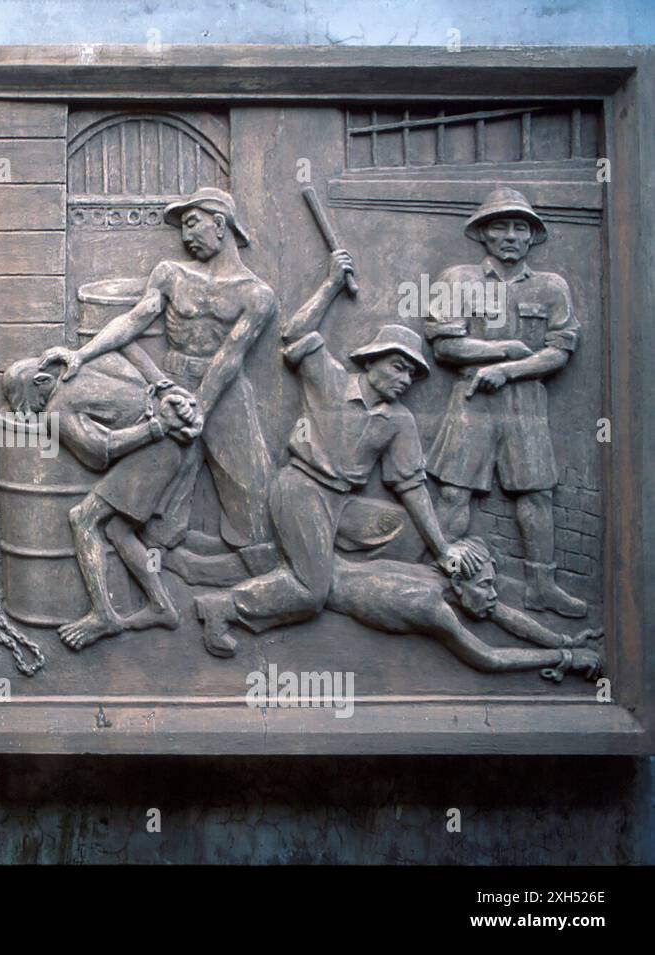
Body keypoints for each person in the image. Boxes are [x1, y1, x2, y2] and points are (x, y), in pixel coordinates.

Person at [195, 250, 478, 657]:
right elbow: (294, 333)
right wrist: (330, 284)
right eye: (399, 367)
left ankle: (352, 579)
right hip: (301, 491)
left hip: (342, 504)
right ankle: (222, 607)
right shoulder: (331, 380)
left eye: (412, 373)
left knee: (407, 528)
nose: (406, 379)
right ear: (373, 361)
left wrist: (442, 549)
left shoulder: (399, 421)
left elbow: (412, 488)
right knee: (312, 593)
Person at [41, 186, 275, 577]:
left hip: (226, 392)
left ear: (220, 224)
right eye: (182, 227)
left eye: (192, 224)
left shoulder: (257, 294)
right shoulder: (171, 274)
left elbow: (231, 356)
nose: (185, 236)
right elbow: (133, 321)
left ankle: (257, 577)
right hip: (173, 382)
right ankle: (172, 572)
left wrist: (200, 406)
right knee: (167, 485)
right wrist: (81, 354)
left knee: (249, 492)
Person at [425, 187, 587, 618]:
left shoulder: (553, 287)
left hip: (527, 404)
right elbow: (445, 348)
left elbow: (560, 350)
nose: (511, 235)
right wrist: (504, 350)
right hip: (472, 399)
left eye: (521, 227)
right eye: (500, 226)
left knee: (536, 495)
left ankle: (541, 586)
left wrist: (510, 369)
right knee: (455, 492)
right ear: (482, 234)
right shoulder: (458, 279)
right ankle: (439, 577)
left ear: (533, 236)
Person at [3, 353, 200, 650]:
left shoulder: (57, 407)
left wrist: (156, 426)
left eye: (27, 403)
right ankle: (161, 607)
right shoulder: (86, 363)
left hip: (158, 448)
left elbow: (99, 452)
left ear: (41, 381)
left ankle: (103, 616)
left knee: (83, 518)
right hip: (174, 446)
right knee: (119, 530)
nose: (27, 413)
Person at [328, 539, 602, 679]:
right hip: (312, 587)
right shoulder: (428, 603)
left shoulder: (441, 576)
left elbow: (495, 609)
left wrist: (564, 640)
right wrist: (562, 657)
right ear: (458, 584)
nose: (494, 594)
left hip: (330, 564)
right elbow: (488, 657)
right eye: (486, 585)